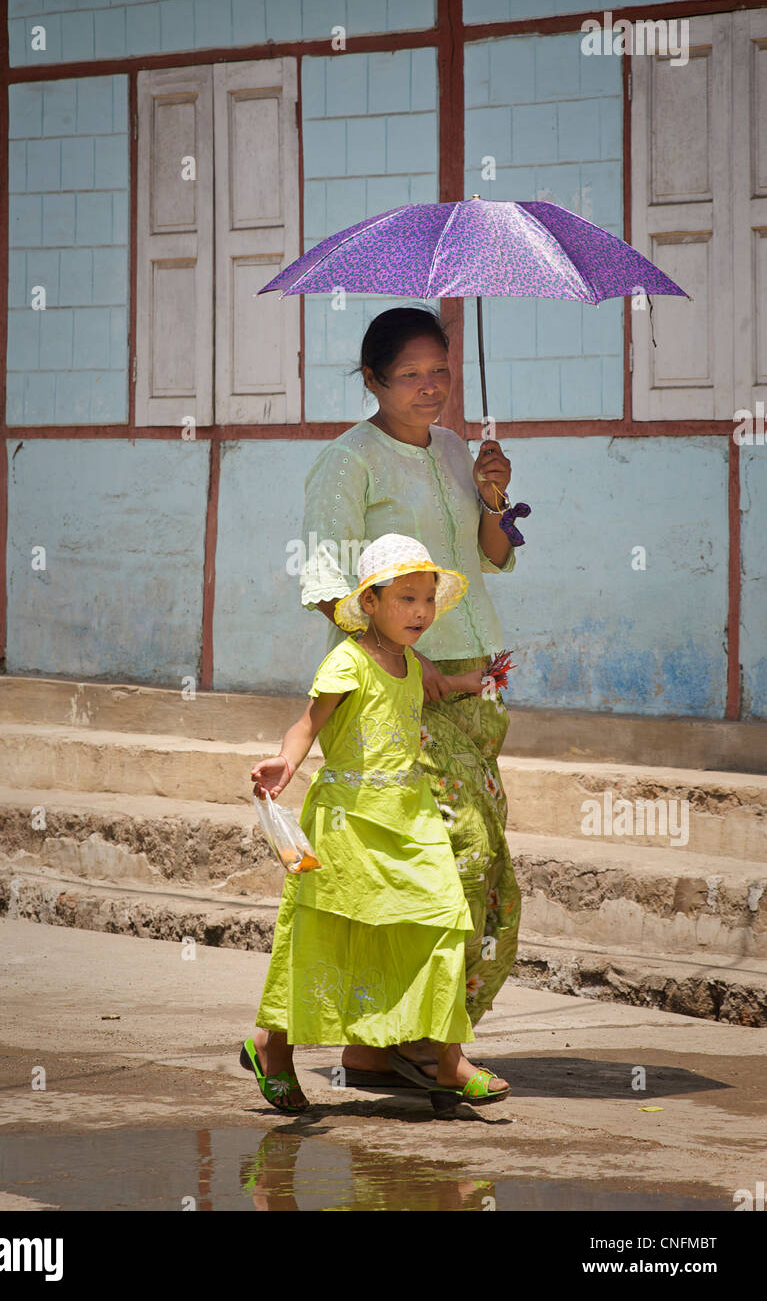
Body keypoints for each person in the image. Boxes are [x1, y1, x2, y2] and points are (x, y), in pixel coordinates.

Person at [295, 305, 520, 1093]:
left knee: (476, 862)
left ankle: (381, 1047)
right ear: (371, 381)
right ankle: (425, 1046)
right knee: (445, 860)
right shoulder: (349, 461)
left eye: (441, 372)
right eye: (410, 375)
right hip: (393, 690)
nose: (431, 389)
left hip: (473, 681)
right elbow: (325, 580)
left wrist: (492, 496)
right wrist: (399, 659)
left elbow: (491, 560)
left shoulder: (460, 451)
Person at [240, 535, 512, 1113]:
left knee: (441, 921)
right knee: (320, 940)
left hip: (410, 817)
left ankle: (448, 1062)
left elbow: (439, 689)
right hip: (348, 821)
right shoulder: (346, 662)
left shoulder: (411, 662)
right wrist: (285, 763)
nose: (421, 611)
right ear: (370, 603)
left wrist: (480, 681)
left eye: (428, 600)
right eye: (406, 598)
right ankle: (274, 1049)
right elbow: (306, 727)